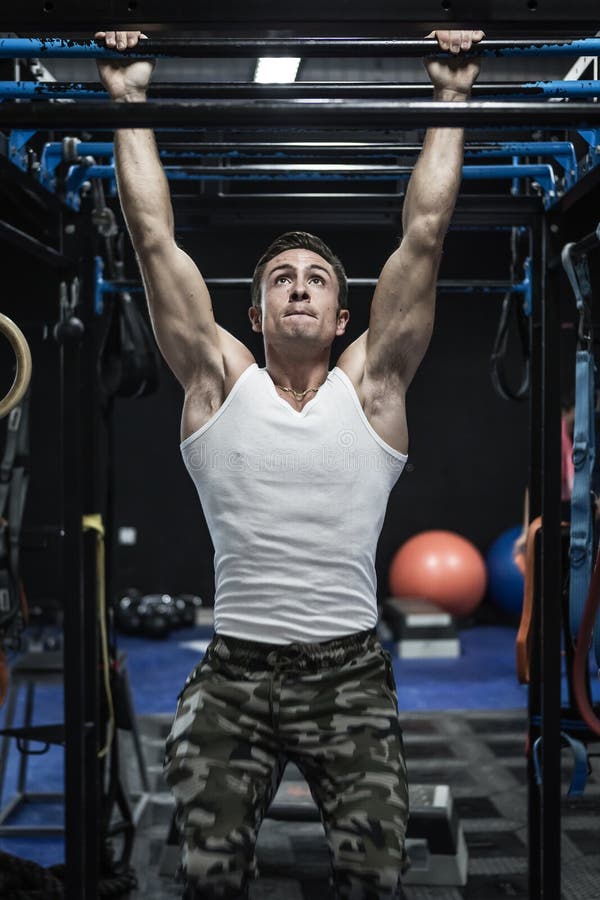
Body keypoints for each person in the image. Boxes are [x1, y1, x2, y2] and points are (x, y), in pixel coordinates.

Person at [96, 28, 483, 900]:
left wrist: (452, 101)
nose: (300, 285)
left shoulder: (375, 390)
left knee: (375, 877)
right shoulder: (214, 382)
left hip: (349, 672)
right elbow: (154, 241)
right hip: (233, 673)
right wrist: (128, 103)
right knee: (206, 876)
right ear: (256, 310)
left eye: (316, 277)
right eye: (282, 278)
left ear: (346, 316)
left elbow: (423, 234)